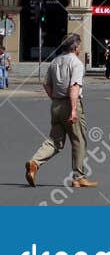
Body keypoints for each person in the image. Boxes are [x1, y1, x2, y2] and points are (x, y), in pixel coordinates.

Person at [25, 34, 98, 189]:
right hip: (70, 103)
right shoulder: (76, 63)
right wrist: (73, 110)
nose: (80, 48)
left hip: (56, 105)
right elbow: (74, 87)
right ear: (75, 47)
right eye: (79, 46)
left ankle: (34, 163)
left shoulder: (55, 61)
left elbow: (46, 84)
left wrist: (55, 100)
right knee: (79, 141)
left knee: (55, 141)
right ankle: (78, 178)